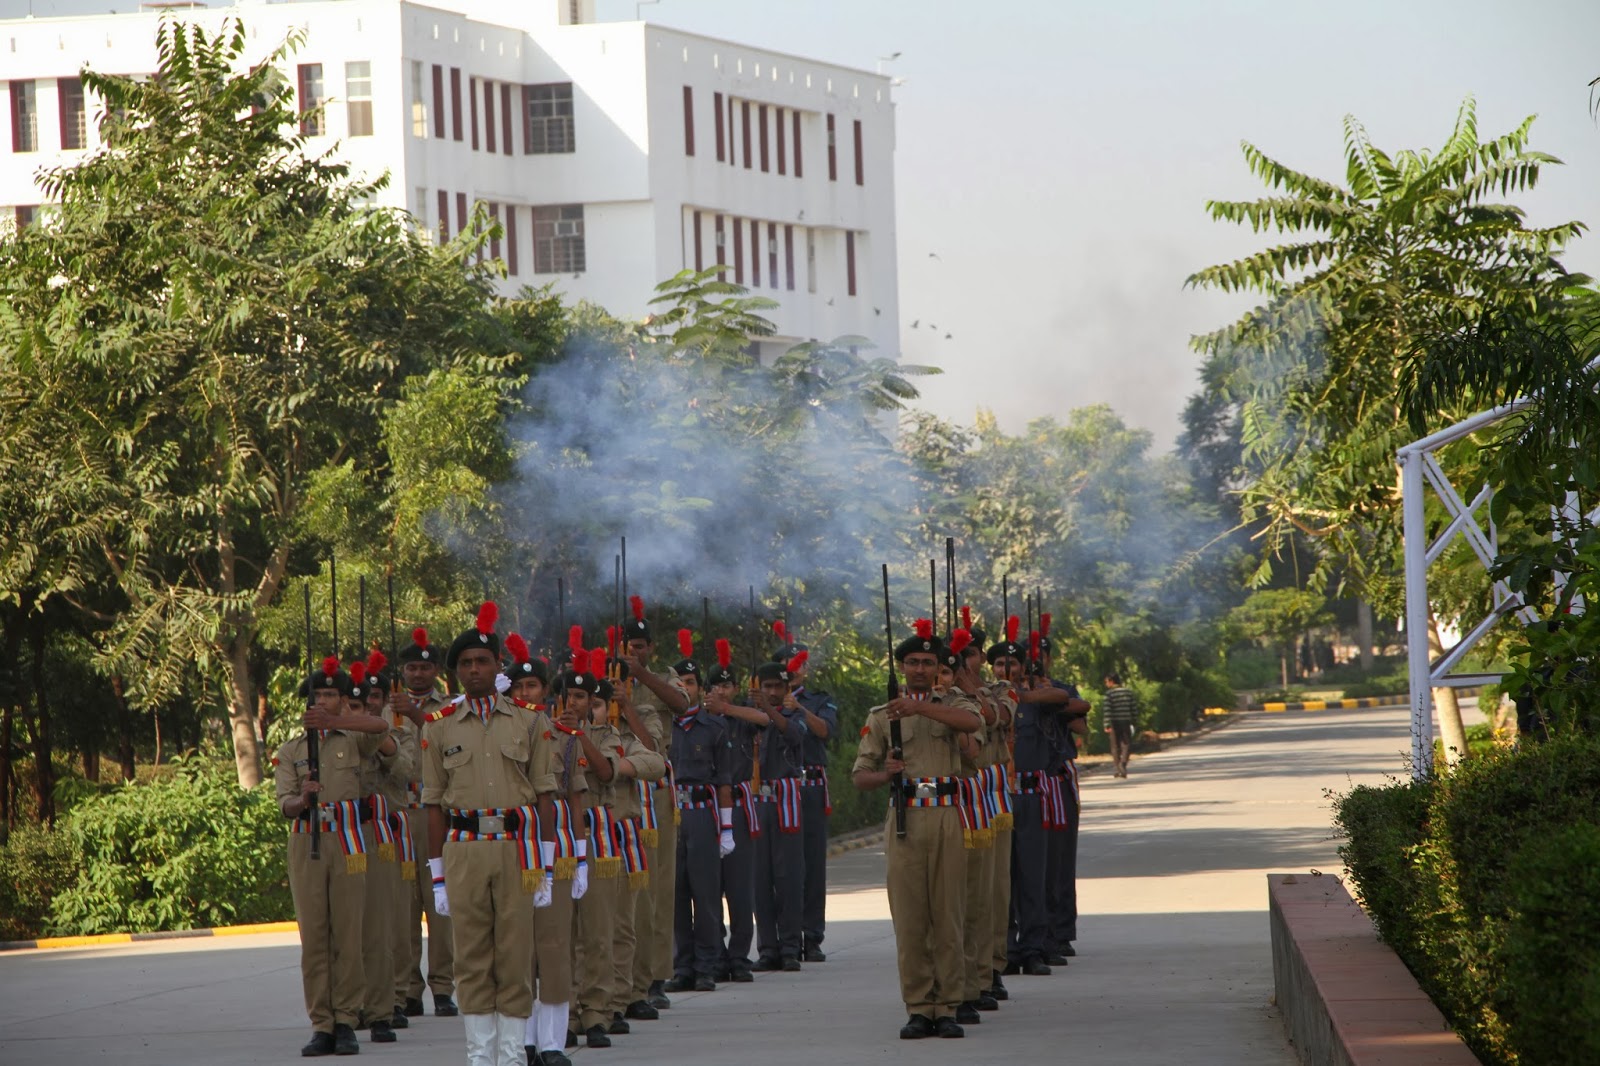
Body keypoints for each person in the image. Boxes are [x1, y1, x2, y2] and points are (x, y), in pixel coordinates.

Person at [421, 603, 558, 1066]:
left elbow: (544, 796)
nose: (474, 669)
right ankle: (481, 1056)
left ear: (499, 666)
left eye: (482, 661)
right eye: (465, 664)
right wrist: (437, 873)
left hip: (517, 849)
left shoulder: (530, 720)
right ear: (456, 673)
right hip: (462, 850)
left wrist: (547, 864)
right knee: (471, 958)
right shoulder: (438, 729)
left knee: (516, 955)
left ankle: (513, 1054)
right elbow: (433, 805)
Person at [852, 619, 983, 1040]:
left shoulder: (953, 706)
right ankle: (918, 1007)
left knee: (948, 915)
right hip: (905, 814)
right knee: (910, 920)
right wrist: (884, 774)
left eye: (929, 662)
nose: (921, 669)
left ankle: (948, 1005)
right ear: (901, 667)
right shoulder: (881, 716)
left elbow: (971, 727)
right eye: (913, 662)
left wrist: (921, 707)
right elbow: (860, 775)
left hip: (946, 813)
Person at [274, 656, 395, 1057]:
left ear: (344, 699)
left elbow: (382, 727)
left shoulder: (353, 737)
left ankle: (346, 1019)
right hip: (307, 839)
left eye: (331, 694)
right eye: (316, 695)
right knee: (315, 939)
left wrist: (336, 723)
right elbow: (284, 803)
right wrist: (301, 798)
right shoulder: (291, 749)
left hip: (348, 840)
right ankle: (321, 1024)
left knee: (349, 933)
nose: (323, 701)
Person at [569, 656, 665, 1048]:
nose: (582, 708)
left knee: (618, 927)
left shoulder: (614, 735)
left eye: (589, 701)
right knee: (577, 932)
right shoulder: (556, 733)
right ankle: (580, 1006)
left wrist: (619, 765)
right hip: (572, 839)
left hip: (615, 840)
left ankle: (617, 1001)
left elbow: (655, 760)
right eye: (575, 699)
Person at [617, 598, 691, 1018]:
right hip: (619, 790)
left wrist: (639, 674)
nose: (635, 649)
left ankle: (657, 975)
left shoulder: (664, 678)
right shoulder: (603, 680)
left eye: (641, 645)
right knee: (628, 888)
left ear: (651, 648)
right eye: (629, 644)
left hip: (657, 792)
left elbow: (683, 707)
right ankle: (625, 974)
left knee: (660, 886)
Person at [389, 626, 458, 1019]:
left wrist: (414, 713)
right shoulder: (386, 708)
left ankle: (444, 986)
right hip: (399, 815)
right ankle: (407, 988)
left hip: (436, 813)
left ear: (435, 670)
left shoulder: (447, 706)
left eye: (425, 667)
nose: (417, 674)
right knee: (403, 906)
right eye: (411, 667)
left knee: (439, 905)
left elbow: (442, 740)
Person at [664, 650, 736, 992]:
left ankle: (708, 965)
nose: (685, 688)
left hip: (703, 813)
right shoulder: (663, 727)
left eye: (690, 683)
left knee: (705, 894)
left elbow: (724, 781)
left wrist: (727, 828)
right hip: (671, 814)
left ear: (699, 688)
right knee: (675, 893)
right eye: (679, 683)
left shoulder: (714, 727)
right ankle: (683, 967)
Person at [349, 659, 412, 1045]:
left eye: (374, 698)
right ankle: (349, 1005)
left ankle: (385, 1006)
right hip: (345, 834)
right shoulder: (335, 737)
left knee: (383, 925)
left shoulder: (394, 732)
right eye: (357, 703)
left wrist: (383, 740)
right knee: (348, 929)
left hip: (381, 835)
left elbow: (407, 772)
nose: (367, 706)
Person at [773, 631, 840, 963]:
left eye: (799, 663)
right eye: (789, 662)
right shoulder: (767, 702)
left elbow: (825, 731)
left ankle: (812, 936)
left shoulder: (818, 700)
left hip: (810, 786)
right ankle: (782, 937)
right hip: (780, 788)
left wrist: (798, 707)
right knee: (783, 866)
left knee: (812, 864)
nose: (794, 669)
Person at [702, 640, 759, 983]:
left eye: (727, 685)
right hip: (708, 808)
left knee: (739, 888)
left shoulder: (740, 718)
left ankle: (739, 956)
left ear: (736, 688)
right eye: (716, 685)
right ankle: (715, 954)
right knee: (709, 888)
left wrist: (730, 710)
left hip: (737, 807)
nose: (722, 691)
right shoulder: (702, 722)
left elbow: (765, 718)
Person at [748, 658, 809, 972]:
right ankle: (767, 948)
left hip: (785, 802)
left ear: (787, 689)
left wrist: (768, 710)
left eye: (777, 687)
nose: (771, 692)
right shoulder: (750, 717)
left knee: (788, 878)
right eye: (766, 686)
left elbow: (792, 734)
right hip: (758, 801)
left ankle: (789, 946)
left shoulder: (792, 714)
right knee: (760, 878)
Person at [1102, 673, 1139, 778]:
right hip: (1126, 721)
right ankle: (1123, 763)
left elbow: (1107, 710)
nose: (1106, 684)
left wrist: (1106, 724)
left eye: (1106, 682)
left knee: (1115, 746)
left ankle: (1118, 768)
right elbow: (1134, 708)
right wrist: (1135, 720)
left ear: (1111, 681)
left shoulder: (1109, 694)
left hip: (1114, 722)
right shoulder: (1128, 692)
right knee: (1126, 744)